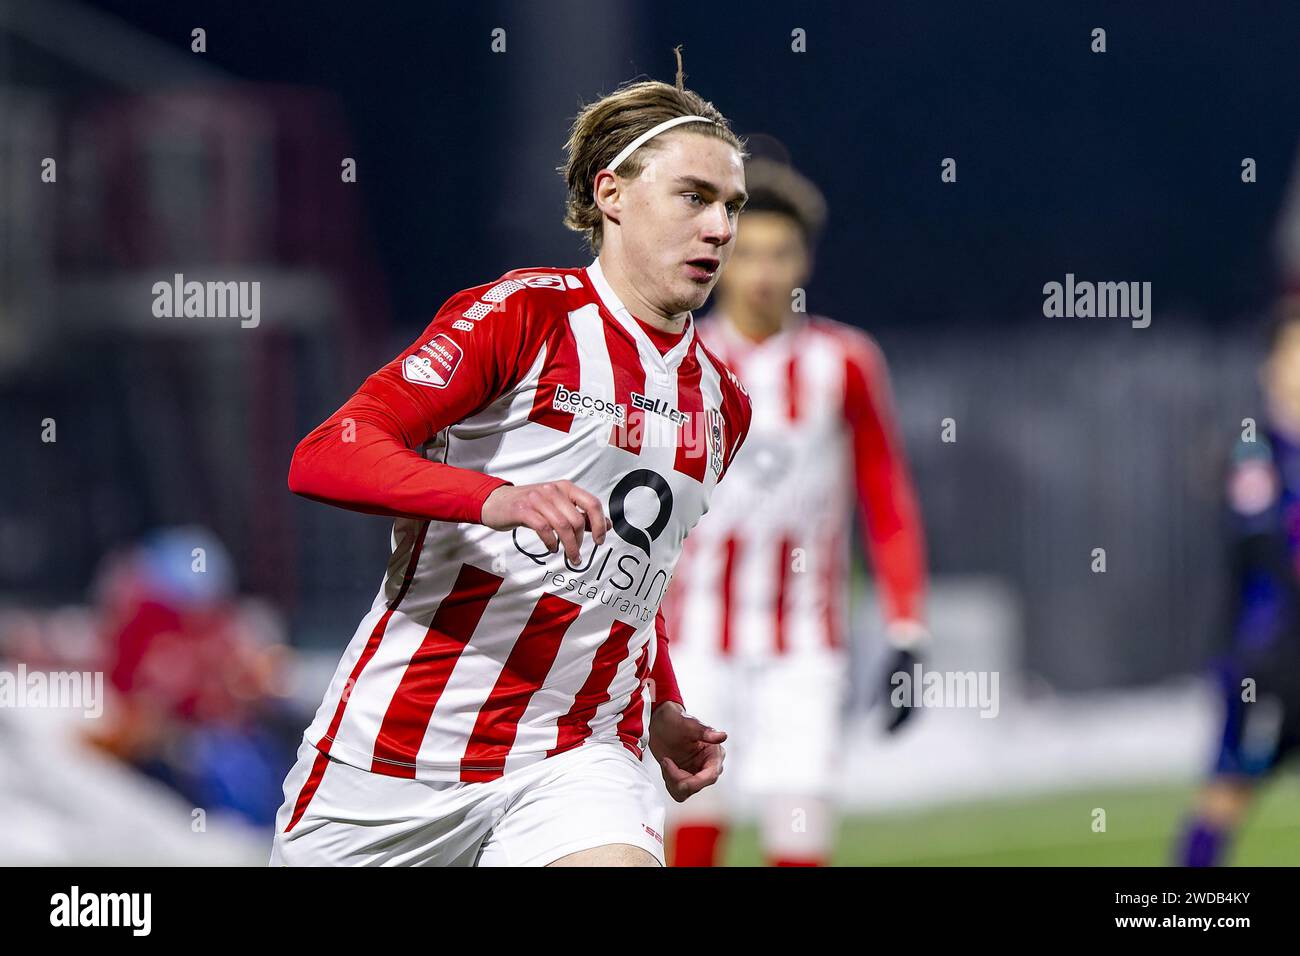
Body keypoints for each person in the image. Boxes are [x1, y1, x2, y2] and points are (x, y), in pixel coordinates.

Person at [270, 57, 753, 867]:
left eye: (731, 206)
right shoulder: (525, 314)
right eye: (695, 197)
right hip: (399, 756)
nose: (720, 228)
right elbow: (326, 455)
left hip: (576, 756)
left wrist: (661, 700)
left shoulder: (725, 401)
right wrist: (500, 498)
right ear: (612, 195)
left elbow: (633, 575)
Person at [662, 158, 929, 867]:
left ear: (804, 260)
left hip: (805, 647)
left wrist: (906, 628)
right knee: (690, 825)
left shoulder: (843, 362)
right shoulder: (670, 360)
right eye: (746, 253)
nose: (762, 274)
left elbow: (886, 496)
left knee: (801, 838)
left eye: (779, 254)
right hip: (691, 642)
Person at [1177, 293, 1300, 866]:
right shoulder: (1254, 448)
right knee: (1228, 790)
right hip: (1265, 659)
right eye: (1294, 352)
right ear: (1269, 365)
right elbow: (1263, 539)